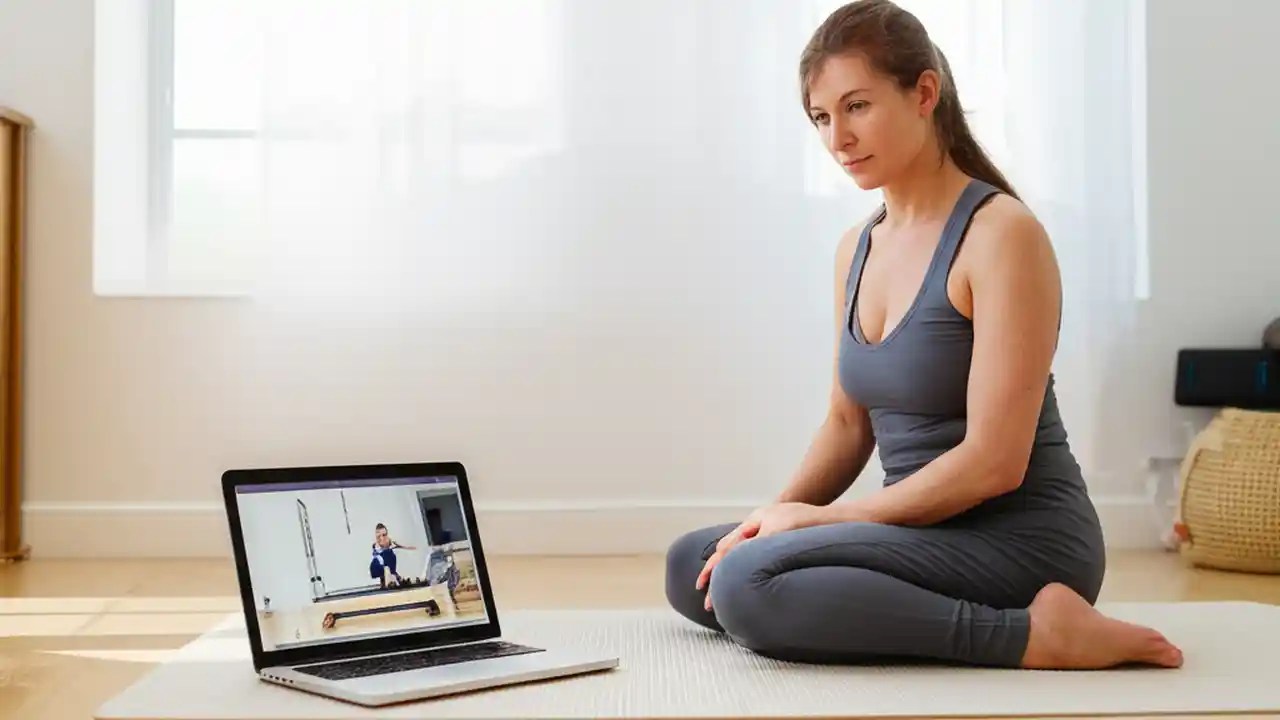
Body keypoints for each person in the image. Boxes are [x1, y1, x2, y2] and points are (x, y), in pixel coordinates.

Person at [664, 0, 1184, 670]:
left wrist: (823, 523)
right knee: (696, 565)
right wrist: (776, 513)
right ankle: (875, 600)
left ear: (924, 93)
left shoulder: (1001, 234)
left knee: (746, 583)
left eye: (857, 106)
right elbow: (847, 425)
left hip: (1020, 541)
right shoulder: (856, 247)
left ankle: (1035, 636)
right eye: (821, 117)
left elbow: (996, 463)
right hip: (917, 531)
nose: (837, 137)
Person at [369, 523, 416, 588]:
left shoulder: (392, 546)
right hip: (384, 578)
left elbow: (412, 547)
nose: (382, 539)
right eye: (378, 537)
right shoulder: (377, 556)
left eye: (384, 535)